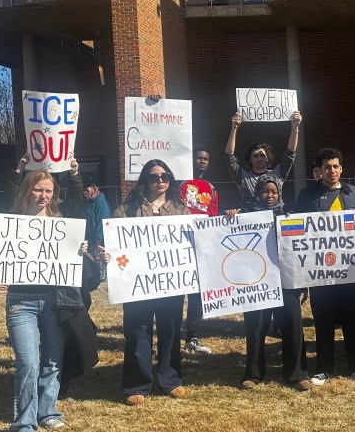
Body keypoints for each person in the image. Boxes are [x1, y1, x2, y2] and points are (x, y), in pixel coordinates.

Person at [0, 169, 89, 432]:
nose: (43, 195)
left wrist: (81, 249)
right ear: (28, 189)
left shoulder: (60, 223)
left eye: (48, 191)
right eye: (38, 189)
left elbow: (72, 255)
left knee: (52, 361)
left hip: (55, 300)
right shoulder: (9, 224)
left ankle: (47, 410)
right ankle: (24, 424)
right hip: (21, 301)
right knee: (27, 362)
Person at [111, 159, 190, 406]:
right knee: (138, 331)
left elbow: (193, 240)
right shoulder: (127, 209)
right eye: (155, 176)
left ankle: (170, 379)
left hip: (170, 282)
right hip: (137, 283)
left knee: (170, 330)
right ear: (145, 179)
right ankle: (137, 383)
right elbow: (114, 242)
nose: (160, 180)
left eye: (165, 176)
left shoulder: (180, 209)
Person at [294, 148, 355, 385]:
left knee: (353, 319)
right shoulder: (307, 196)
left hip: (350, 270)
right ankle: (324, 368)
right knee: (323, 320)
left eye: (336, 166)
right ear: (319, 170)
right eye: (327, 167)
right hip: (320, 272)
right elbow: (298, 231)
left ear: (342, 168)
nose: (332, 171)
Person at [240, 174, 312, 391]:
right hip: (257, 281)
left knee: (293, 325)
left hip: (285, 281)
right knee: (255, 327)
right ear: (257, 193)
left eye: (274, 191)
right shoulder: (245, 216)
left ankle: (297, 374)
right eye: (264, 191)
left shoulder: (288, 216)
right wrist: (231, 217)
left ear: (280, 193)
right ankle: (253, 374)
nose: (269, 195)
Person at [179, 147, 219, 355]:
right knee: (175, 292)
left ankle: (192, 338)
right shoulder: (179, 185)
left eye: (205, 159)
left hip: (201, 245)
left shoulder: (210, 188)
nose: (202, 162)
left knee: (198, 293)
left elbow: (212, 218)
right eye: (198, 158)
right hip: (179, 243)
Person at [225, 110, 302, 208]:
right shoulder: (243, 177)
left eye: (262, 155)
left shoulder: (277, 174)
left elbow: (290, 154)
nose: (259, 158)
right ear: (250, 159)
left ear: (267, 158)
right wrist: (234, 128)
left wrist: (295, 128)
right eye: (255, 156)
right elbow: (229, 157)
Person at [79, 181, 111, 311]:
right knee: (92, 260)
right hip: (90, 238)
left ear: (92, 190)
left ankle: (100, 277)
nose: (84, 194)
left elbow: (100, 221)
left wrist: (98, 239)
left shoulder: (100, 202)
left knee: (99, 259)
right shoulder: (89, 203)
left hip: (98, 239)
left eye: (86, 191)